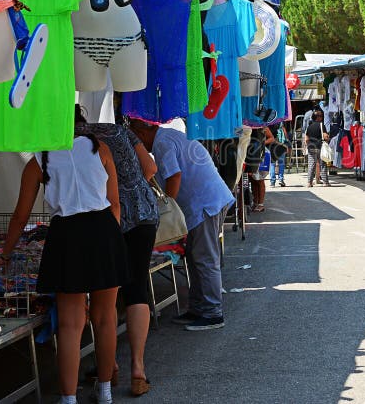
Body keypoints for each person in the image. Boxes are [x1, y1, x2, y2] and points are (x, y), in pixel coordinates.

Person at [1, 120, 129, 404]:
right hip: (104, 230)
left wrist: (5, 252)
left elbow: (20, 217)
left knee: (70, 324)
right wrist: (108, 242)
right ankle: (105, 391)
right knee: (106, 317)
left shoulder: (38, 161)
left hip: (66, 236)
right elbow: (116, 203)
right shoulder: (101, 149)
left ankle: (68, 398)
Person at [129, 120, 235, 331]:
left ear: (141, 132)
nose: (138, 146)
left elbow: (174, 176)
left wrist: (169, 208)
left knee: (204, 259)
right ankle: (198, 308)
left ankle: (212, 313)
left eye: (137, 140)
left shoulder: (162, 142)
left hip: (205, 203)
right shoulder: (167, 137)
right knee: (197, 258)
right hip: (206, 202)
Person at [81, 109, 158, 397]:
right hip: (142, 213)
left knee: (104, 291)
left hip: (104, 217)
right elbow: (150, 169)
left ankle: (109, 365)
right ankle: (138, 369)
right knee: (137, 287)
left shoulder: (76, 139)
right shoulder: (120, 132)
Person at [249, 127, 274, 212]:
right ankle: (255, 201)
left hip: (262, 154)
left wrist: (262, 143)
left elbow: (271, 138)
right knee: (252, 179)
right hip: (250, 154)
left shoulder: (262, 126)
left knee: (260, 180)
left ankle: (260, 204)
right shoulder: (246, 124)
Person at [305, 109, 330, 187]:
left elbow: (306, 139)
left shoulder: (309, 126)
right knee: (323, 164)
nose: (322, 117)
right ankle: (325, 182)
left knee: (311, 165)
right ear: (318, 117)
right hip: (320, 147)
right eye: (321, 116)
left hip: (311, 147)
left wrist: (309, 145)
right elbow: (325, 136)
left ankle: (309, 183)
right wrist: (328, 138)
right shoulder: (321, 125)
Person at [270, 123, 289, 187]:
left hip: (272, 147)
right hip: (282, 147)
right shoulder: (282, 126)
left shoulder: (270, 125)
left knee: (272, 164)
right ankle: (281, 180)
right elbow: (286, 137)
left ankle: (272, 181)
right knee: (281, 164)